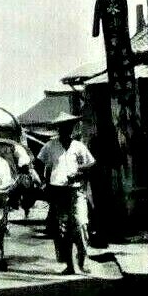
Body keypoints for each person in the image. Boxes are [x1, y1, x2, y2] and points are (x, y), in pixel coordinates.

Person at [40, 114, 96, 274]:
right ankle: (69, 265)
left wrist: (80, 174)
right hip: (58, 192)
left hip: (76, 191)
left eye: (68, 127)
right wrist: (46, 184)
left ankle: (82, 261)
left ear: (72, 129)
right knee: (62, 229)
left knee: (80, 225)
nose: (66, 130)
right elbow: (44, 166)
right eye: (62, 127)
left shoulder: (79, 146)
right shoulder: (50, 146)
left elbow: (90, 166)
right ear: (58, 129)